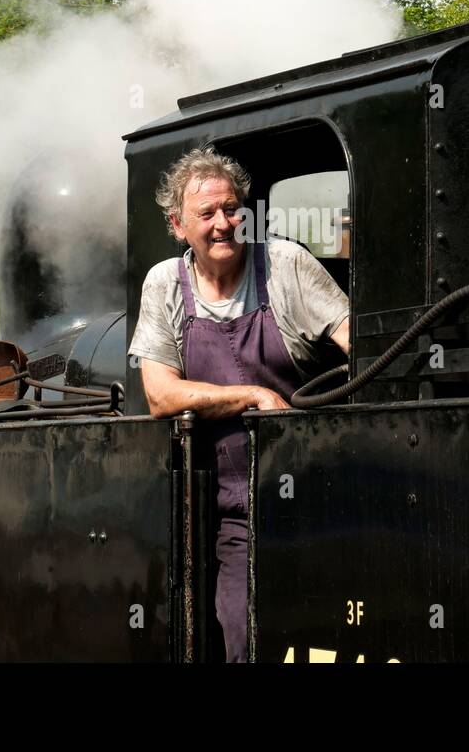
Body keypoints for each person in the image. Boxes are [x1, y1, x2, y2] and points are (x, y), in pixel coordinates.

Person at [128, 147, 350, 662]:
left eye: (231, 209)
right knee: (243, 634)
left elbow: (357, 341)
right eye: (206, 214)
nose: (223, 224)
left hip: (318, 498)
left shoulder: (286, 265)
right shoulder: (165, 284)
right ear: (178, 225)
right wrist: (251, 396)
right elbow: (161, 394)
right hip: (232, 511)